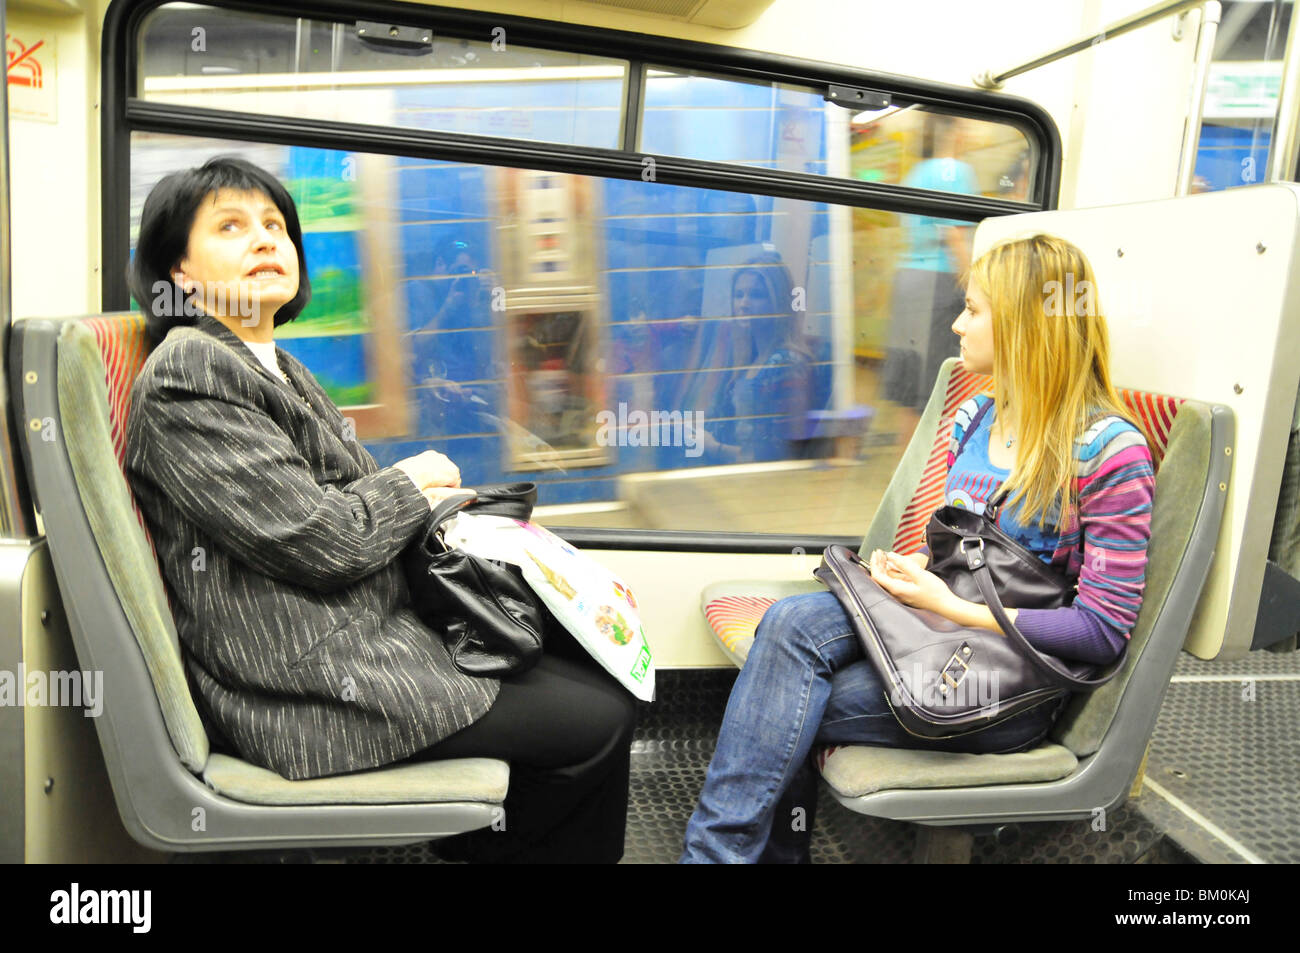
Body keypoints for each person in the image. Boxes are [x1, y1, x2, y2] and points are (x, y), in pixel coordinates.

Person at [124, 155, 636, 863]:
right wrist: (413, 478)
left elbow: (342, 501)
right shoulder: (191, 372)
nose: (267, 240)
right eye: (232, 226)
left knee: (592, 668)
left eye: (275, 224)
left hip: (362, 634)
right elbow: (320, 540)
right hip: (308, 682)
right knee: (599, 721)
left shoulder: (271, 363)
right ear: (179, 275)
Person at [681, 234, 1157, 863]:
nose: (957, 324)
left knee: (786, 705)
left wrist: (953, 606)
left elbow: (1101, 633)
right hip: (932, 625)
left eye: (975, 310)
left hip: (1002, 678)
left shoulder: (1108, 453)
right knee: (790, 622)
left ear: (1023, 326)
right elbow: (962, 552)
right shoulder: (976, 418)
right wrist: (921, 570)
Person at [882, 113, 979, 450]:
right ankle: (932, 473)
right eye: (965, 124)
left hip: (908, 280)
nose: (970, 132)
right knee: (938, 384)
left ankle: (903, 467)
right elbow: (955, 236)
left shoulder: (915, 173)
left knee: (910, 385)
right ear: (950, 129)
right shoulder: (956, 171)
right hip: (939, 283)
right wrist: (976, 288)